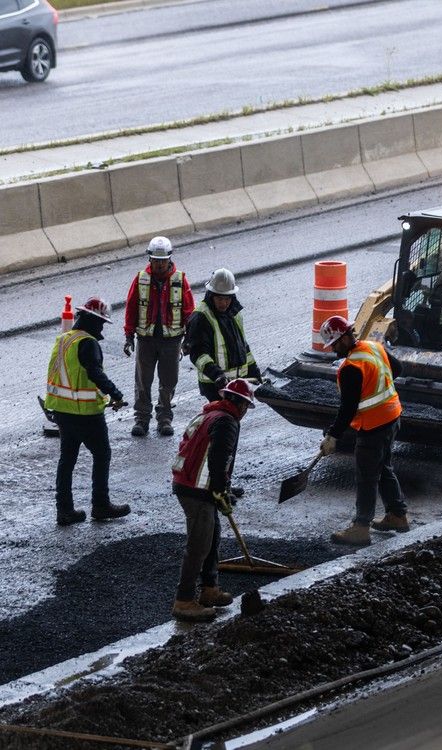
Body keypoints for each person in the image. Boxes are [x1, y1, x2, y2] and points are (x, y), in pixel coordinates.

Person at [170, 378, 256, 622]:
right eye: (246, 408)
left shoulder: (208, 415)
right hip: (196, 489)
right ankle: (184, 601)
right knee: (198, 545)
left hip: (189, 484)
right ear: (241, 405)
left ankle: (210, 589)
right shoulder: (227, 422)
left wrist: (220, 491)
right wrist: (220, 490)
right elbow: (220, 459)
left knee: (212, 535)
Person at [318, 315, 407, 547]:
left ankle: (361, 528)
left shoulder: (351, 368)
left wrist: (333, 436)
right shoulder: (374, 347)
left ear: (345, 338)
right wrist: (379, 383)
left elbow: (347, 409)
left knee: (366, 476)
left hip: (374, 425)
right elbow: (397, 368)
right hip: (393, 416)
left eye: (335, 344)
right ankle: (397, 515)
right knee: (384, 466)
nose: (334, 349)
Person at [44, 297, 131, 525]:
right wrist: (115, 393)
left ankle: (64, 510)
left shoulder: (64, 339)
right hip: (86, 413)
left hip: (62, 410)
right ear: (92, 320)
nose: (102, 327)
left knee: (67, 460)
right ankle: (101, 505)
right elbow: (94, 372)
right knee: (102, 454)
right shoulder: (88, 343)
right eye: (101, 322)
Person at [123, 236, 195, 437]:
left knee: (168, 382)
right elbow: (131, 308)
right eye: (156, 260)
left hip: (171, 342)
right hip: (146, 340)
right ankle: (141, 420)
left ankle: (164, 419)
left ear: (169, 259)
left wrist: (189, 339)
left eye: (163, 261)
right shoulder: (140, 279)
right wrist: (129, 335)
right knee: (143, 382)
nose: (160, 264)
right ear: (150, 259)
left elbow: (189, 311)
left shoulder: (180, 281)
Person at [186, 267, 261, 402]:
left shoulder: (234, 313)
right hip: (215, 385)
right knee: (224, 420)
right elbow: (198, 354)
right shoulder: (201, 317)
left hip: (237, 382)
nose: (224, 303)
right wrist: (217, 375)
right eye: (219, 299)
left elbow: (243, 346)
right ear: (211, 295)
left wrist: (253, 370)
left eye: (227, 299)